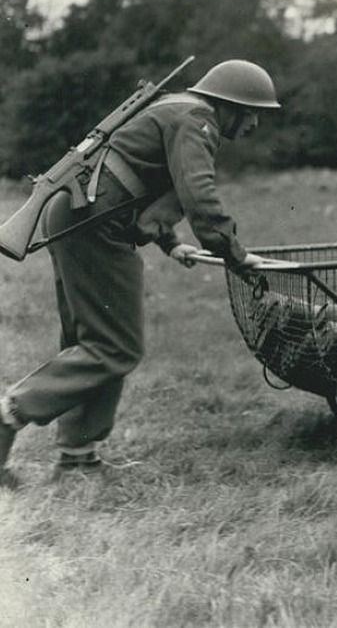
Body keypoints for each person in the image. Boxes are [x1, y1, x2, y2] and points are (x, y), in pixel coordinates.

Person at [0, 59, 281, 486]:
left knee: (92, 343)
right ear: (228, 105)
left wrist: (171, 243)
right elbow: (199, 197)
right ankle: (10, 413)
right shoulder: (197, 120)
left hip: (79, 216)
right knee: (116, 347)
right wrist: (235, 255)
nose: (255, 124)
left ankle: (78, 459)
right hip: (93, 224)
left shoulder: (175, 107)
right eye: (252, 112)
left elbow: (145, 183)